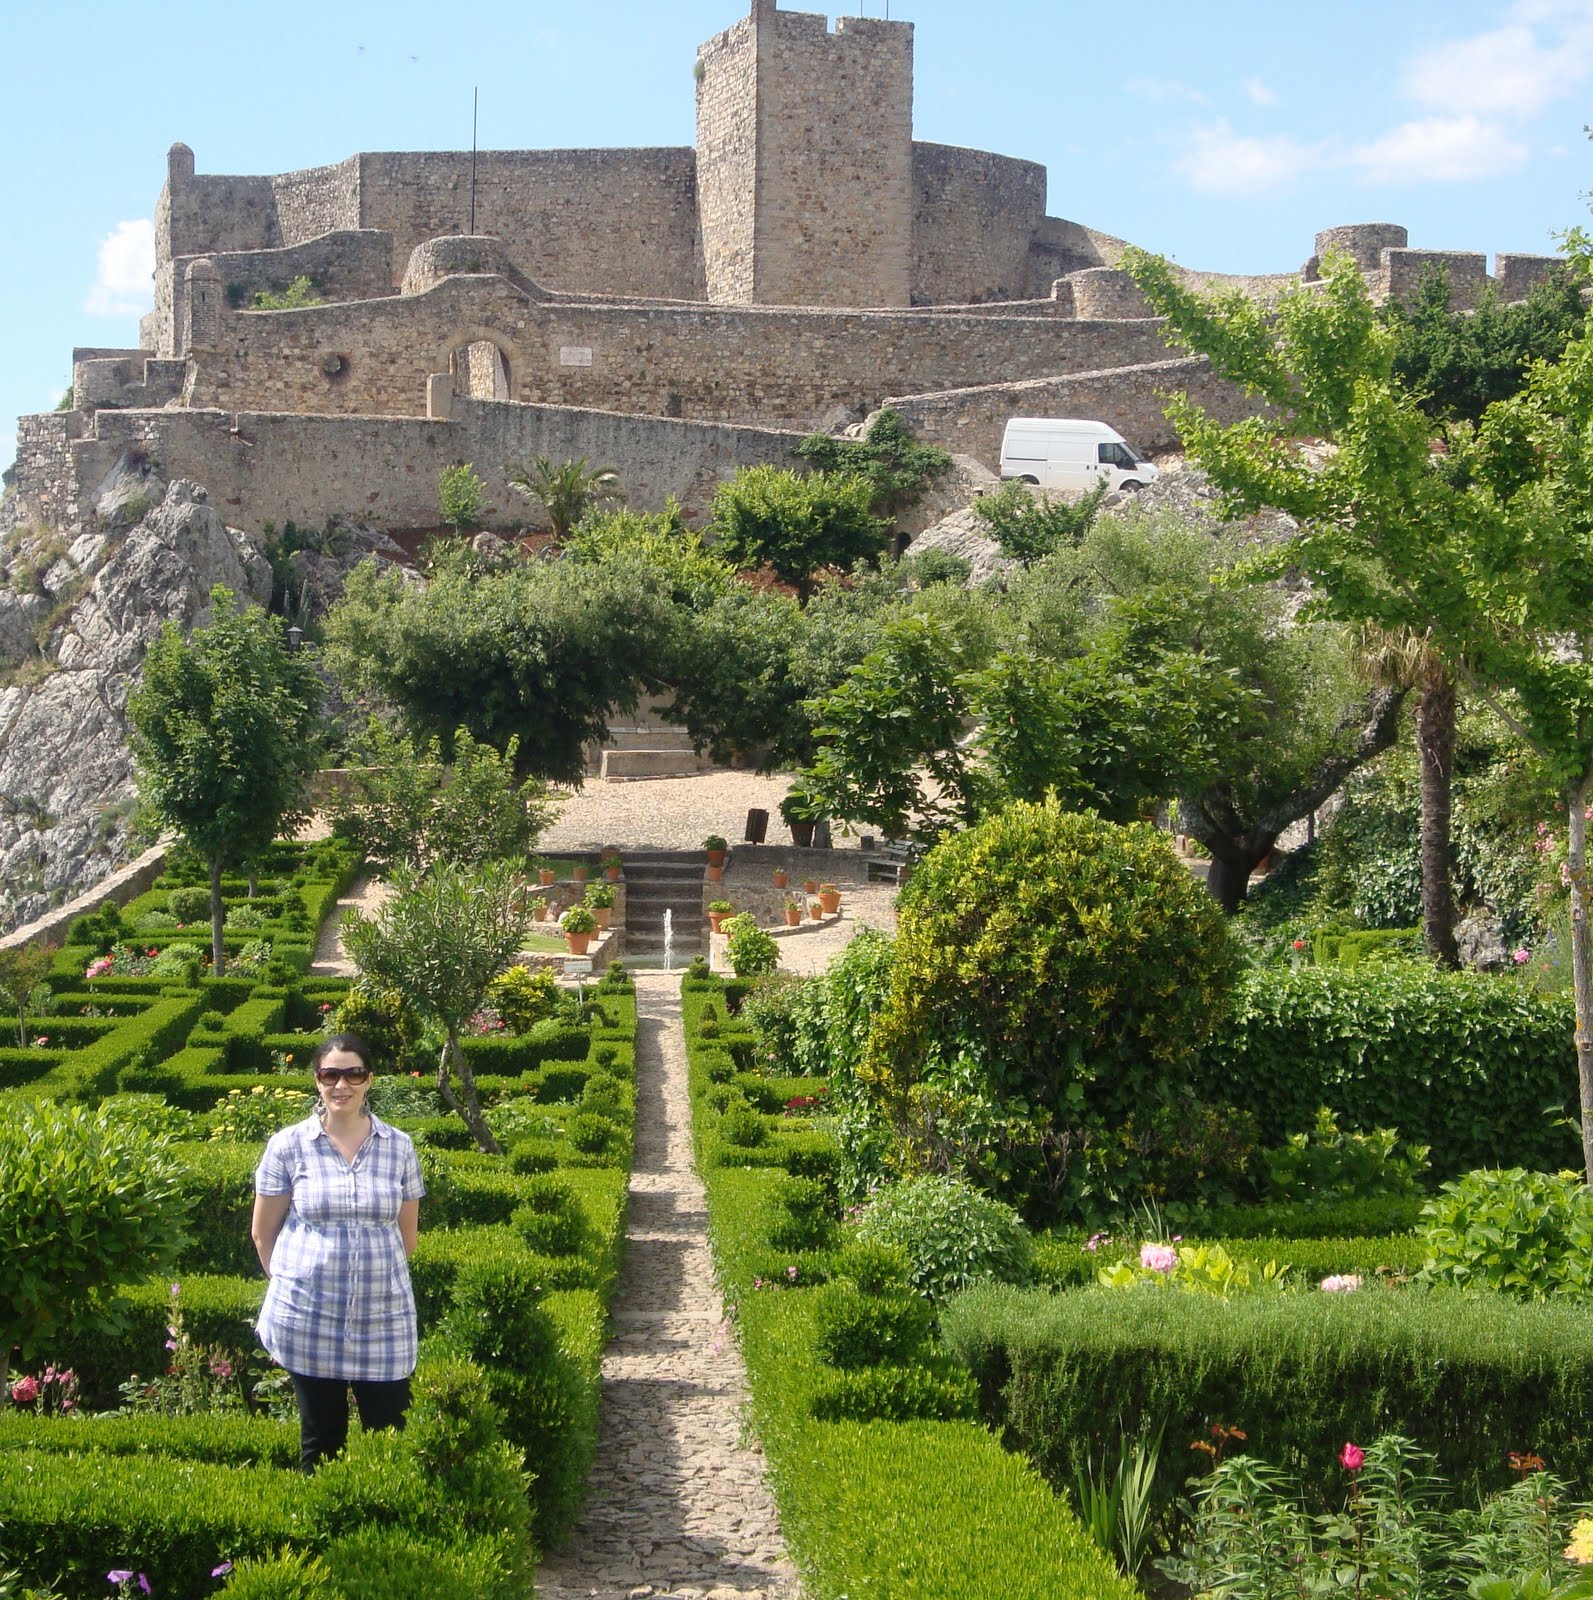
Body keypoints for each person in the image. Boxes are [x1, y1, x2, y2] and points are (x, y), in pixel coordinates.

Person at [251, 1031, 424, 1472]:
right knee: (321, 1440)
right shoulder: (288, 1146)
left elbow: (407, 1236)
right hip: (310, 1318)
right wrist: (296, 1283)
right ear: (317, 1080)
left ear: (369, 1079)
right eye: (330, 1075)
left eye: (353, 1074)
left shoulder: (399, 1147)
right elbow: (263, 1234)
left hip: (382, 1320)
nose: (341, 1085)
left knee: (390, 1440)